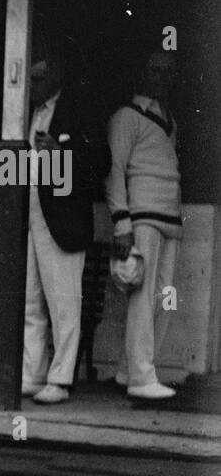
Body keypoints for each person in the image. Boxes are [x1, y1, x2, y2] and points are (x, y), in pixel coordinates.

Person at [21, 47, 110, 405]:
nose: (33, 85)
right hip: (29, 217)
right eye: (30, 78)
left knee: (64, 303)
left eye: (39, 78)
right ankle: (33, 373)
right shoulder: (26, 111)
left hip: (63, 219)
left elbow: (100, 162)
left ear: (57, 75)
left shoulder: (78, 111)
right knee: (31, 301)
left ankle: (60, 378)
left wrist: (60, 152)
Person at [105, 48, 183, 401]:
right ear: (141, 74)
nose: (161, 78)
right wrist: (122, 222)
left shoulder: (169, 119)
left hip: (170, 218)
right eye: (154, 71)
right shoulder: (127, 116)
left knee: (165, 297)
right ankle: (141, 376)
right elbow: (115, 170)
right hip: (143, 217)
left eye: (167, 72)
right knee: (142, 298)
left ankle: (130, 369)